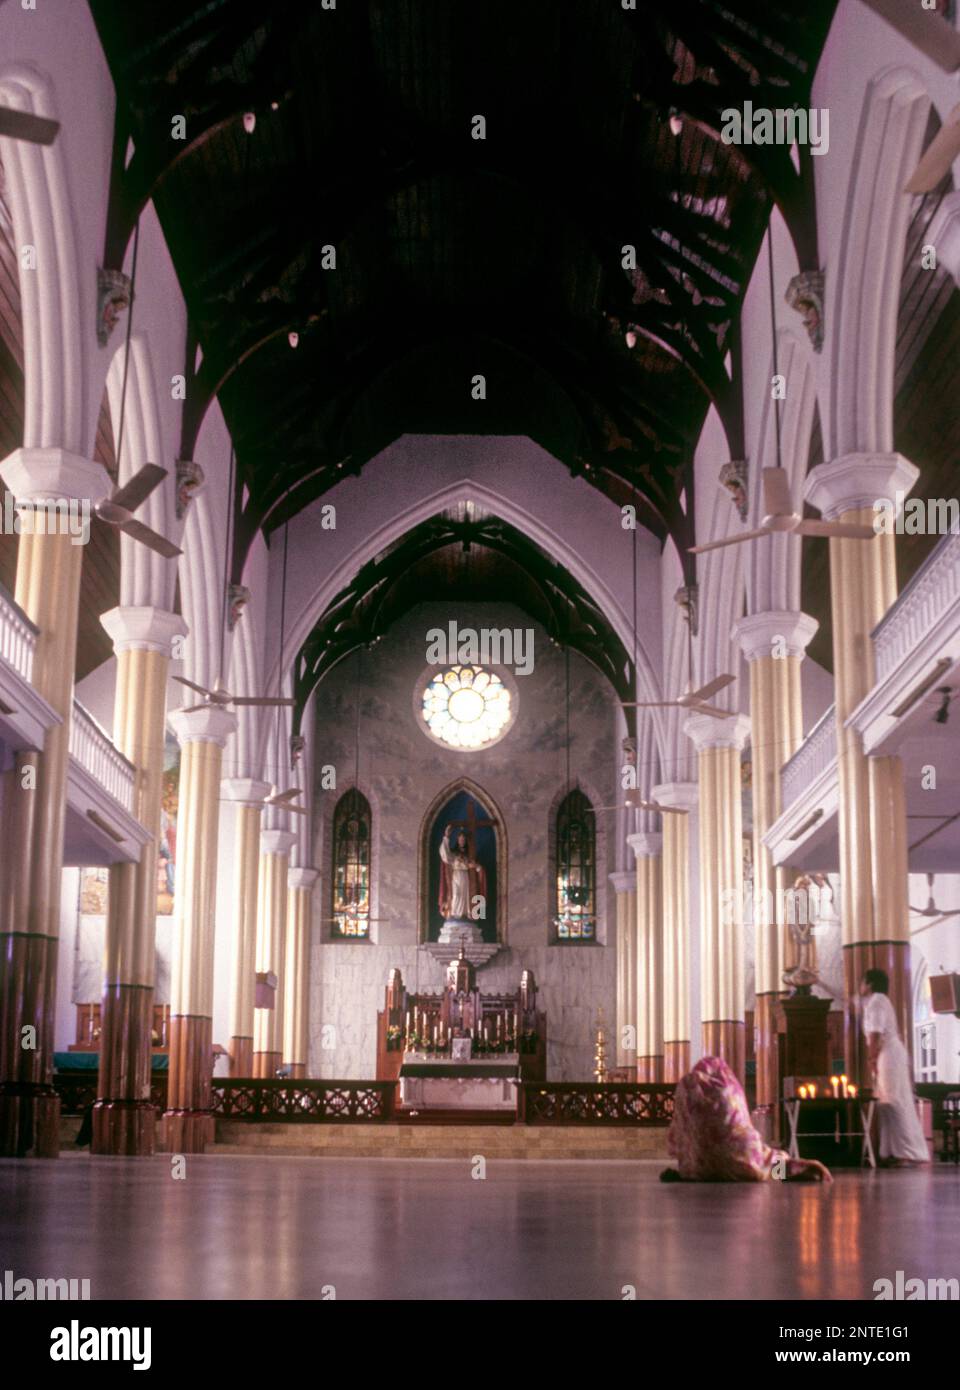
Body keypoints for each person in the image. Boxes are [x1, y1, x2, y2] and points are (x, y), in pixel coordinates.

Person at [660, 1055, 831, 1183]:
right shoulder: (728, 1090)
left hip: (696, 1169)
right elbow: (740, 1125)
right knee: (768, 1163)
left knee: (759, 1161)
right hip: (742, 1165)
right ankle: (795, 1171)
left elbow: (676, 1139)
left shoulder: (688, 1090)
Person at [860, 968, 929, 1165]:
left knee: (895, 1102)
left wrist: (871, 1059)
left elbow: (875, 1033)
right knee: (885, 1104)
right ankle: (891, 1151)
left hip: (888, 1055)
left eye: (863, 982)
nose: (861, 986)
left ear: (870, 983)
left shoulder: (877, 1001)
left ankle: (908, 1152)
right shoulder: (877, 1001)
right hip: (886, 1055)